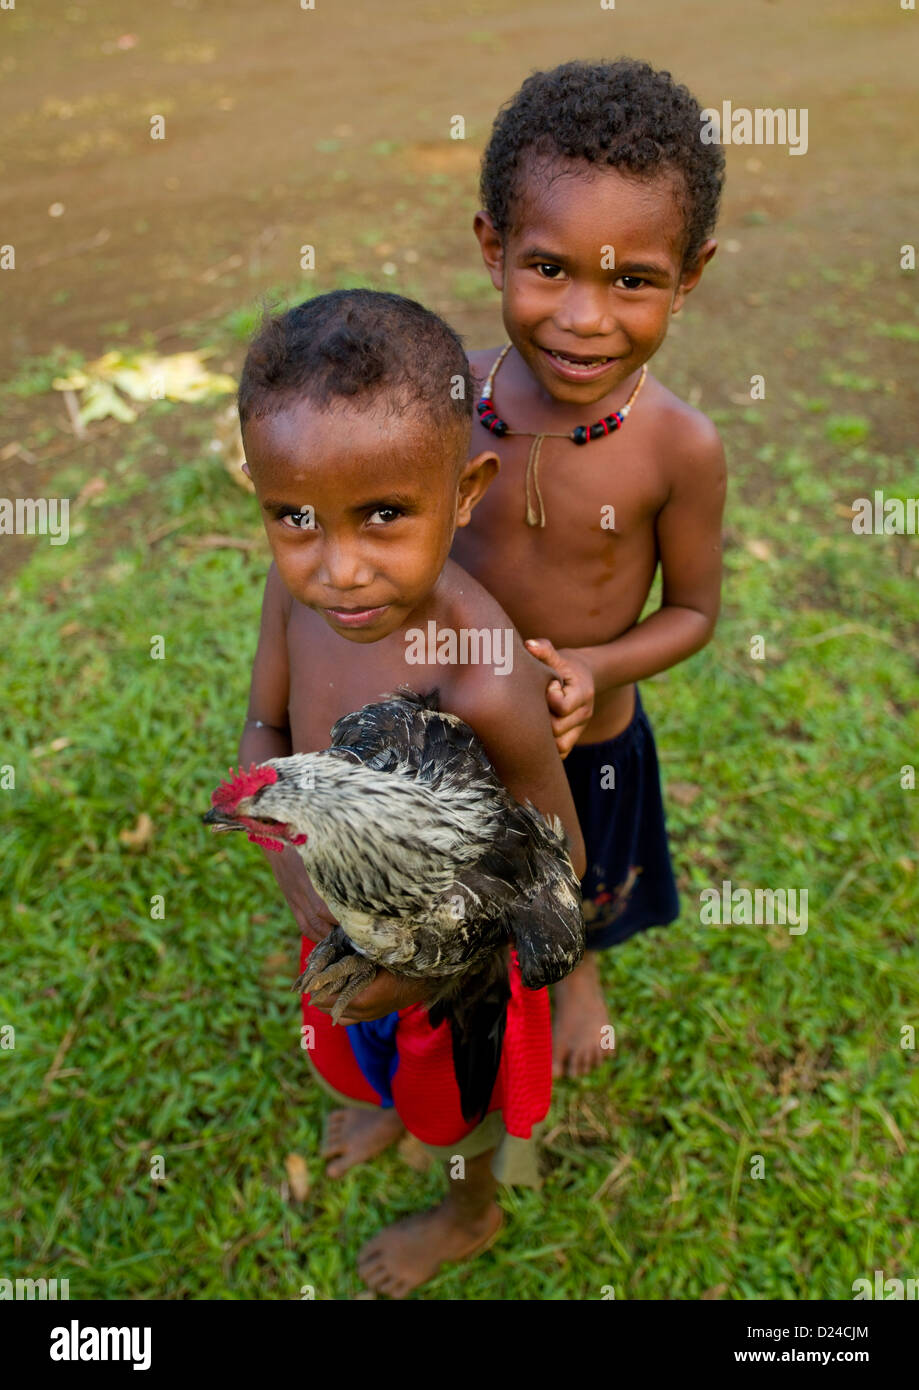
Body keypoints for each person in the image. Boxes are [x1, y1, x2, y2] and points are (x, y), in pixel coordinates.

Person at [235, 288, 586, 1298]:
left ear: (466, 488)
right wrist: (287, 849)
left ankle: (464, 1211)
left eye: (384, 515)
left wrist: (427, 971)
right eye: (294, 517)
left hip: (457, 978)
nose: (338, 567)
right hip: (341, 922)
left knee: (461, 1113)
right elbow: (265, 728)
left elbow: (557, 882)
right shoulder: (294, 597)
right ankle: (389, 1104)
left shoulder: (478, 677)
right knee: (365, 1055)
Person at [451, 58, 728, 1076]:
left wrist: (596, 669)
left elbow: (693, 612)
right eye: (550, 268)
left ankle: (579, 974)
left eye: (633, 280)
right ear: (493, 248)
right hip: (460, 724)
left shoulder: (676, 448)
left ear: (687, 276)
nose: (582, 318)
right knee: (467, 892)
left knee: (580, 883)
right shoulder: (444, 405)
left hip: (591, 739)